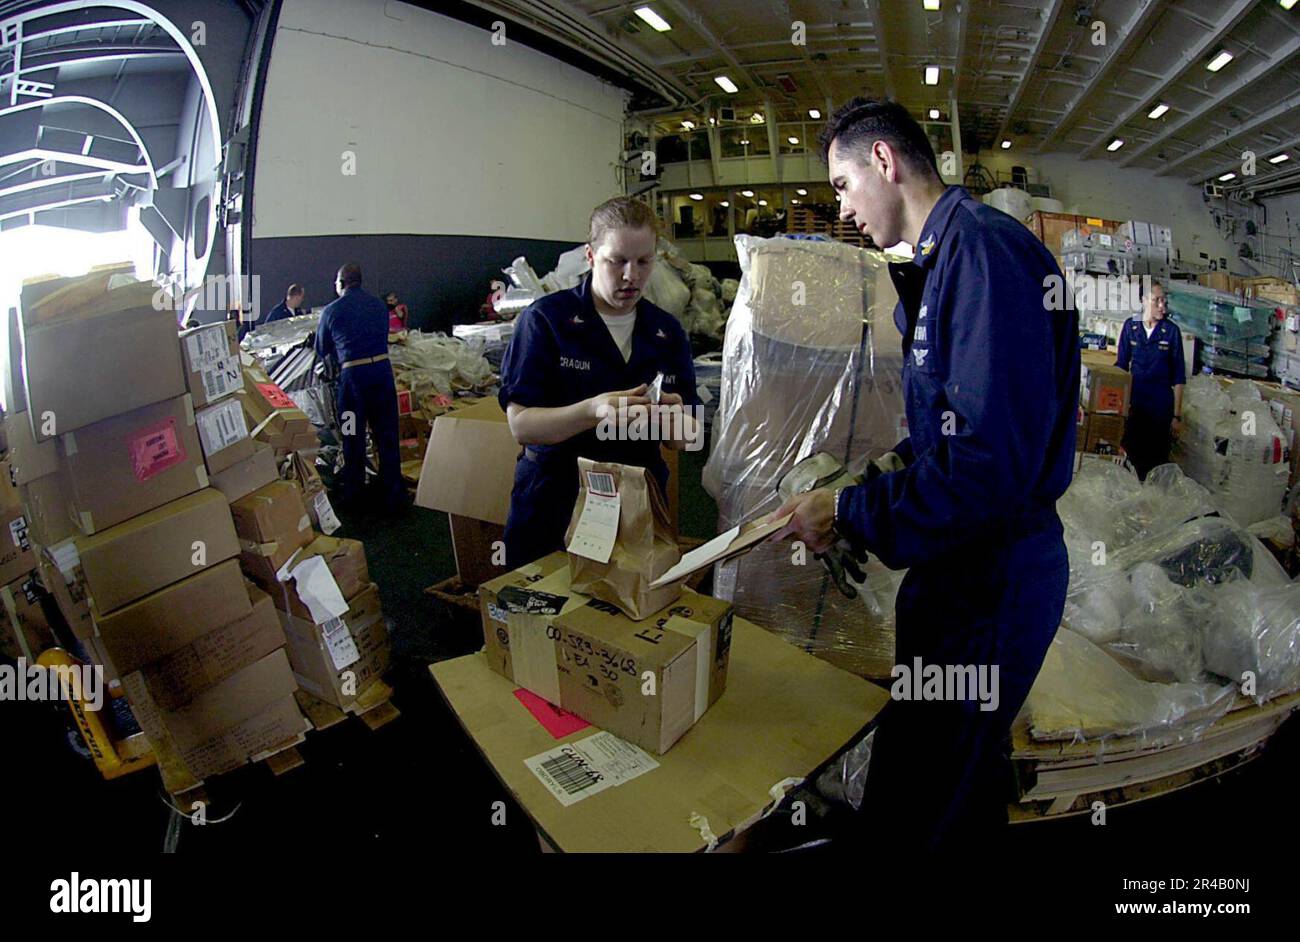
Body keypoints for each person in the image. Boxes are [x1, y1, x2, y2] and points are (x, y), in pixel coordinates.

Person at [771, 98, 1079, 853]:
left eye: (842, 185)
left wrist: (851, 513)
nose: (842, 210)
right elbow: (952, 431)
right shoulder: (944, 264)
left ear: (885, 161)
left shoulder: (982, 255)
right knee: (954, 783)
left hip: (992, 580)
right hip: (962, 573)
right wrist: (879, 473)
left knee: (920, 798)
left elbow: (986, 467)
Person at [497, 196, 700, 568]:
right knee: (544, 608)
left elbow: (688, 438)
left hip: (635, 501)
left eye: (643, 261)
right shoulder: (546, 321)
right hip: (555, 496)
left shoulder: (666, 331)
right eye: (617, 261)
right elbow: (522, 425)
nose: (631, 276)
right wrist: (593, 410)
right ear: (590, 257)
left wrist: (674, 415)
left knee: (626, 613)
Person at [315, 263, 404, 513]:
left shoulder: (332, 311)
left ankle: (355, 495)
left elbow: (322, 349)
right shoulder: (378, 305)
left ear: (342, 283)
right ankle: (394, 493)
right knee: (387, 436)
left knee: (351, 436)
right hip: (383, 376)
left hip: (354, 381)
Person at [1116, 280, 1185, 480]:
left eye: (1164, 301)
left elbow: (1179, 377)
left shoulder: (1172, 332)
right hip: (1136, 404)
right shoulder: (1131, 326)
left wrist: (1177, 416)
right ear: (1144, 301)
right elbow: (1121, 366)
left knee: (1155, 460)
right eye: (1157, 301)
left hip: (1160, 407)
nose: (1162, 306)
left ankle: (1152, 505)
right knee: (1131, 455)